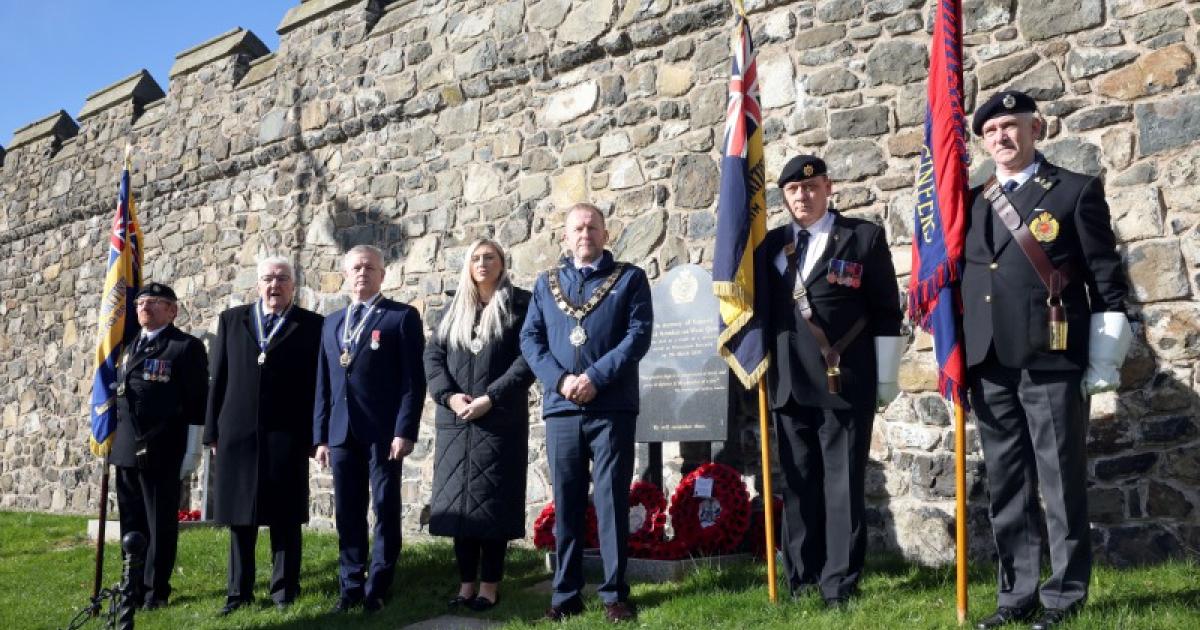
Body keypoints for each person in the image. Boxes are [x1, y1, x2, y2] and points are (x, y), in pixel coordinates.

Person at [964, 90, 1131, 630]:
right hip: (989, 361)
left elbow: (1105, 279)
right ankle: (1016, 594)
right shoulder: (970, 201)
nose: (1002, 137)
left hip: (1051, 356)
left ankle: (1063, 597)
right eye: (991, 131)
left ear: (1035, 129)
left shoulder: (1074, 191)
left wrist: (1104, 357)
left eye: (1011, 126)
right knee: (1006, 484)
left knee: (1060, 481)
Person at [762, 156, 904, 608]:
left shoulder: (862, 237)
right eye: (792, 190)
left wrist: (886, 376)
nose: (802, 196)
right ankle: (802, 577)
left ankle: (839, 582)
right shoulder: (770, 245)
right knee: (798, 485)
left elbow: (887, 311)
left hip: (842, 380)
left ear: (828, 187)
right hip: (788, 382)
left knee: (842, 485)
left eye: (810, 187)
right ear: (784, 197)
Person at [520, 202, 653, 623]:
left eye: (592, 227)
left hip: (611, 407)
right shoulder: (546, 284)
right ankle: (566, 595)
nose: (585, 234)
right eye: (577, 228)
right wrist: (560, 381)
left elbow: (638, 335)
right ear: (565, 236)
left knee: (611, 501)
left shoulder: (630, 279)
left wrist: (595, 376)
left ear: (605, 234)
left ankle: (614, 593)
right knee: (567, 503)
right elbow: (531, 339)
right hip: (562, 409)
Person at [203, 256, 323, 615]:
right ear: (258, 284)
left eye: (282, 279)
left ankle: (284, 590)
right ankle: (238, 593)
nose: (275, 285)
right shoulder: (232, 320)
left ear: (293, 285)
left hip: (287, 432)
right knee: (240, 516)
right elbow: (218, 377)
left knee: (285, 515)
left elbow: (318, 385)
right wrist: (211, 431)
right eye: (268, 278)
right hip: (236, 432)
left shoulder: (311, 325)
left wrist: (315, 435)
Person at [313, 244, 427, 613]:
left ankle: (378, 585)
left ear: (382, 274)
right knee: (347, 511)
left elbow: (413, 381)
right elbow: (323, 383)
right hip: (341, 432)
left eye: (369, 267)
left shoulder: (400, 317)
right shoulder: (331, 322)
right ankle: (349, 586)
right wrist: (321, 437)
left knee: (384, 506)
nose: (362, 273)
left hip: (383, 433)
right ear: (346, 275)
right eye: (356, 268)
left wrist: (404, 430)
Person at [424, 239, 535, 613]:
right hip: (457, 422)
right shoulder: (454, 309)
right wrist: (449, 397)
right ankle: (466, 585)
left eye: (490, 257)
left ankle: (489, 586)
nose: (483, 263)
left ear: (502, 263)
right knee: (461, 511)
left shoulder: (520, 307)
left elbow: (527, 360)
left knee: (493, 509)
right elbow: (433, 357)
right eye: (476, 258)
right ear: (468, 266)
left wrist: (491, 397)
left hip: (498, 422)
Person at [110, 282, 209, 610]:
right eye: (140, 303)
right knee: (131, 521)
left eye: (153, 302)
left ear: (172, 310)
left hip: (162, 448)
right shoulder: (128, 345)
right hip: (126, 448)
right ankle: (132, 585)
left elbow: (197, 403)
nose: (144, 308)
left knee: (159, 523)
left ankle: (156, 592)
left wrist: (193, 450)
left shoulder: (184, 347)